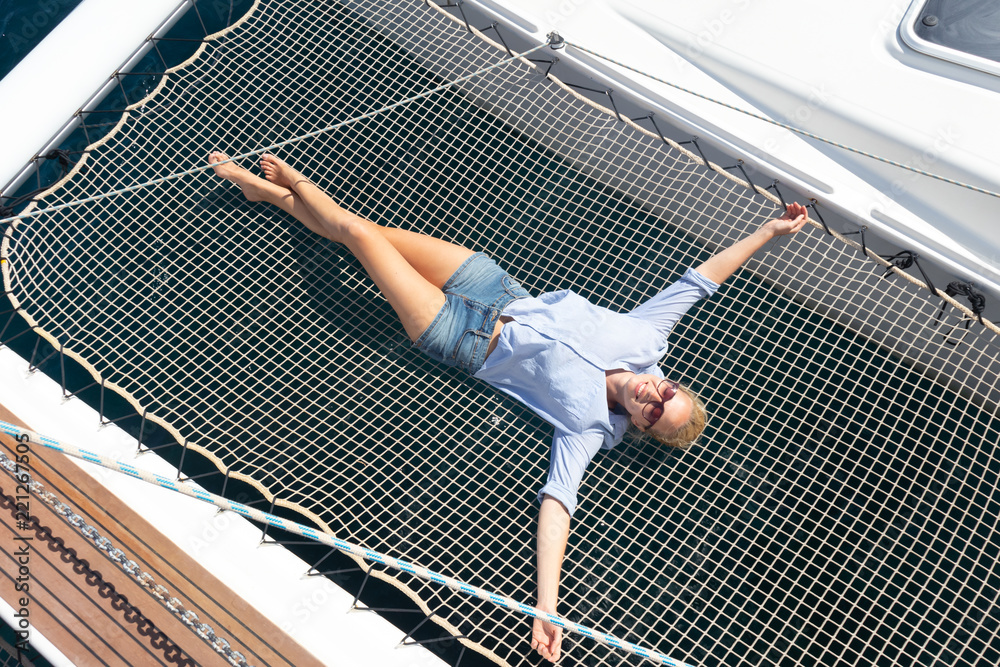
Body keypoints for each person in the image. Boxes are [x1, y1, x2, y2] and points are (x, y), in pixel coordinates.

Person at [209, 151, 810, 662]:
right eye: (667, 395)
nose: (654, 400)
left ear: (640, 426)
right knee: (368, 232)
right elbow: (702, 280)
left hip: (459, 336)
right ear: (670, 383)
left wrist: (547, 605)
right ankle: (272, 196)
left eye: (654, 416)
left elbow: (558, 505)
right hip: (493, 287)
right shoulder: (648, 337)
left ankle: (289, 183)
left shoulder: (587, 427)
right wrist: (767, 233)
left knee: (360, 237)